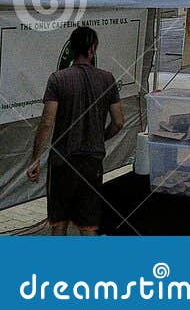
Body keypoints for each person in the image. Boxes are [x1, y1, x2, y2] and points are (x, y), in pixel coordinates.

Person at [26, 26, 124, 235]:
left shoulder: (58, 79)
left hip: (63, 162)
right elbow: (118, 122)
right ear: (92, 50)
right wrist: (101, 136)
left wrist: (35, 158)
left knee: (59, 223)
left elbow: (47, 122)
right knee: (88, 226)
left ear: (71, 49)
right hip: (92, 162)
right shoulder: (107, 79)